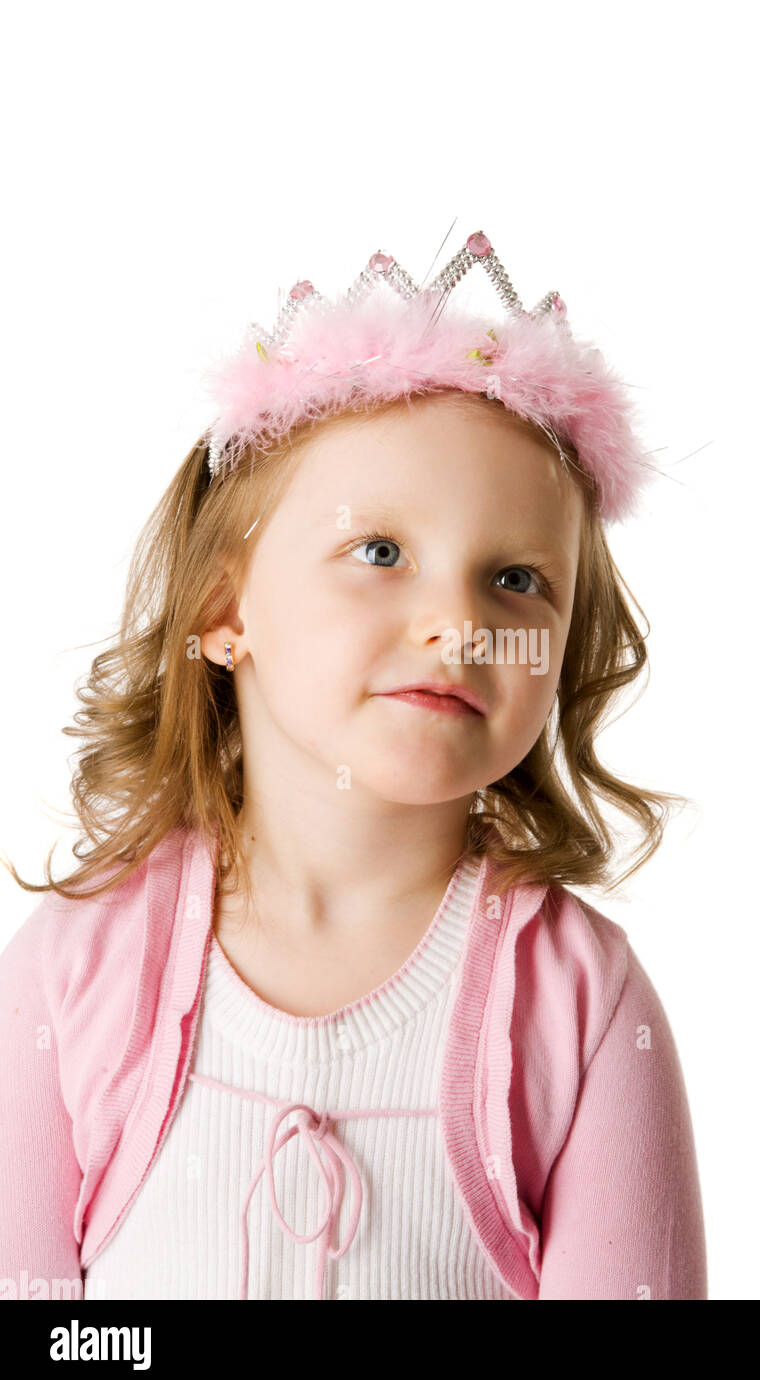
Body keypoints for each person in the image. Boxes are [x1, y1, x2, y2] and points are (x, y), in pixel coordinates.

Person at [0, 230, 707, 1300]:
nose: (456, 625)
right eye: (379, 552)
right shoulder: (79, 969)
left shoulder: (576, 999)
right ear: (225, 609)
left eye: (515, 578)